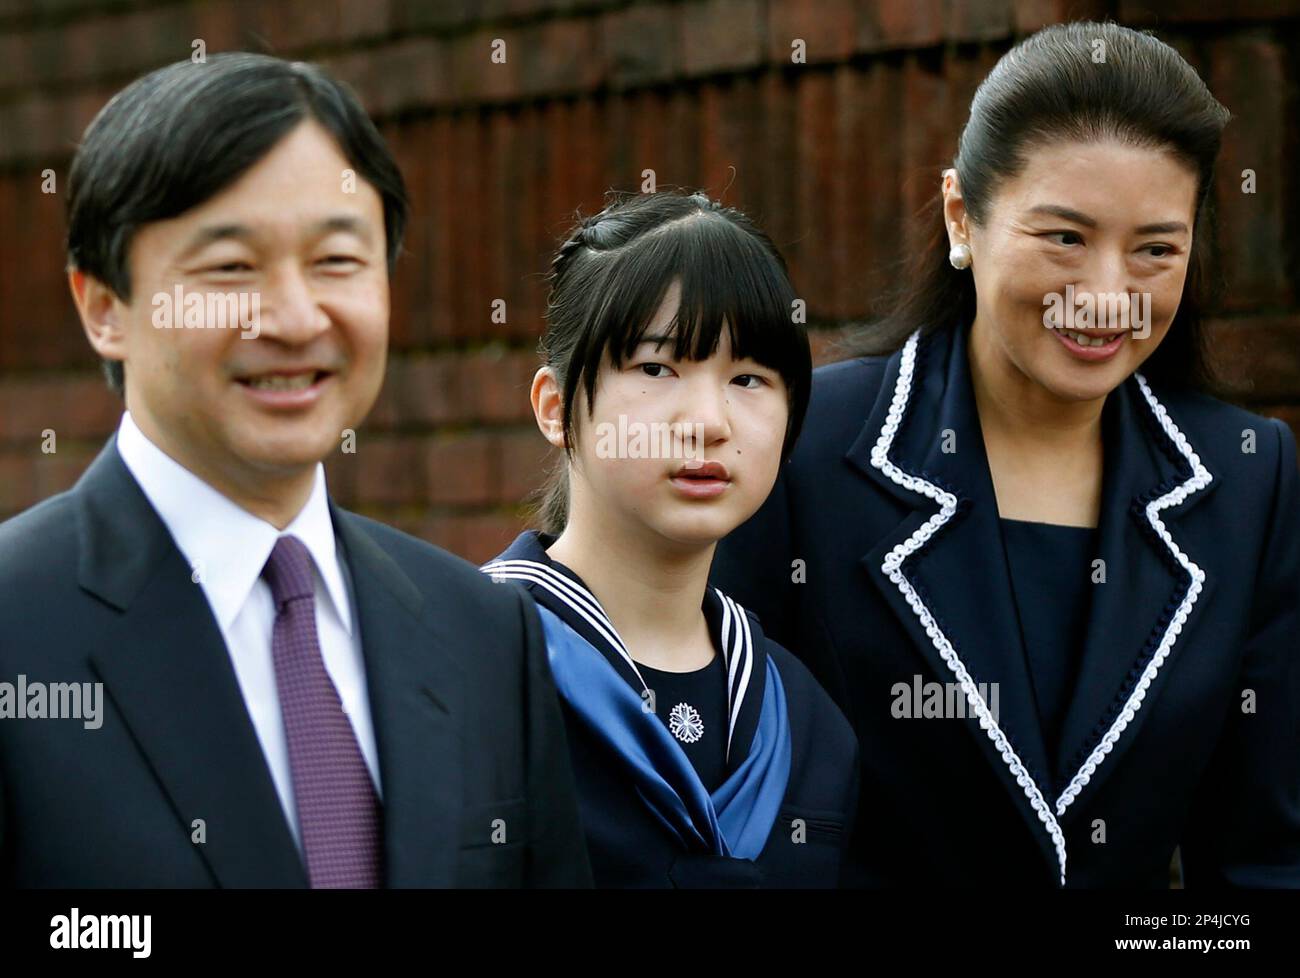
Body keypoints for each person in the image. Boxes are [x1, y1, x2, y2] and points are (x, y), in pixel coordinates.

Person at [713, 21, 1300, 888]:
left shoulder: (1248, 477)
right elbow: (720, 818)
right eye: (1064, 237)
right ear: (963, 218)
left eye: (1155, 250)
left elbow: (1265, 862)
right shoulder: (805, 443)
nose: (1107, 297)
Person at [0, 53, 592, 888]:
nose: (293, 316)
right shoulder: (18, 629)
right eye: (230, 268)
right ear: (104, 308)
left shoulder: (484, 635)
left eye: (336, 261)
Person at [484, 191, 859, 888]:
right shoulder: (466, 663)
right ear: (554, 406)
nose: (708, 421)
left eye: (749, 378)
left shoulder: (807, 723)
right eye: (657, 369)